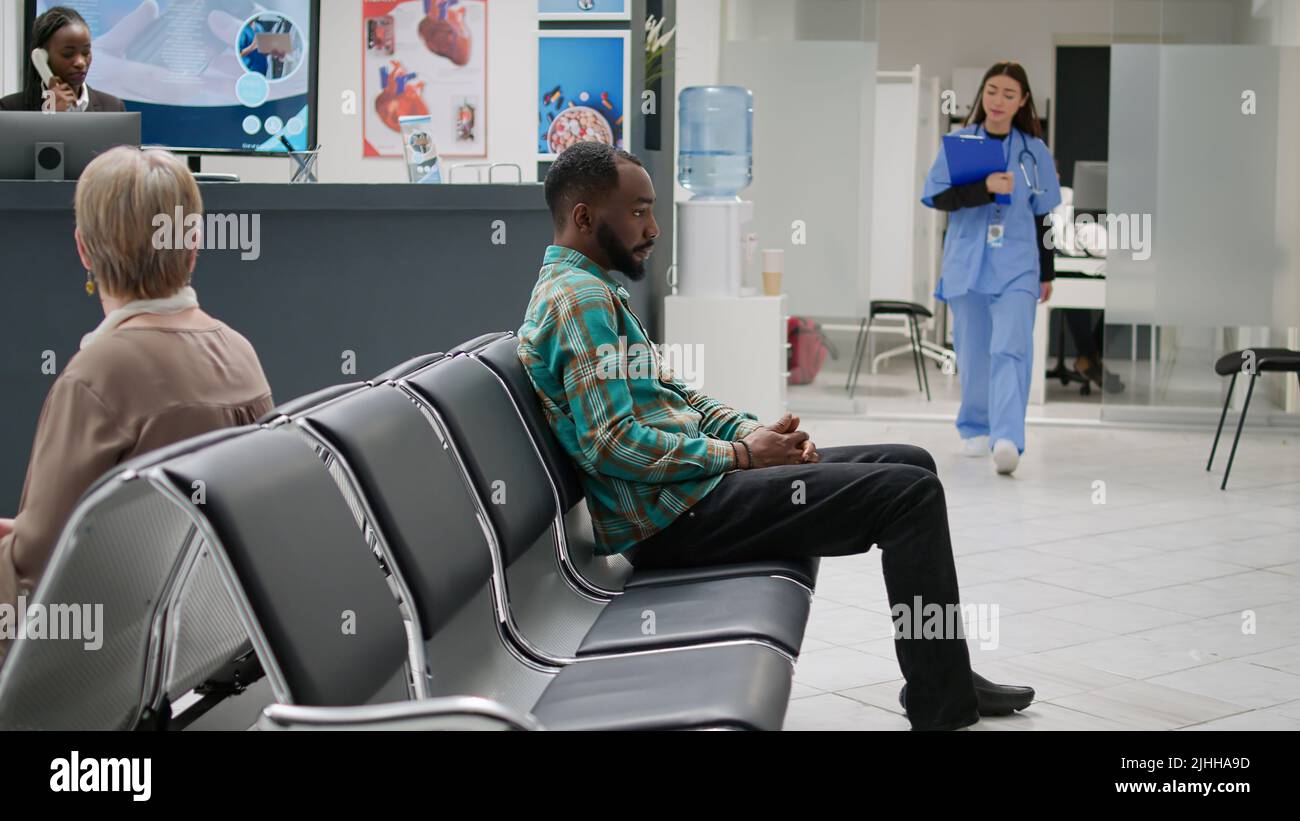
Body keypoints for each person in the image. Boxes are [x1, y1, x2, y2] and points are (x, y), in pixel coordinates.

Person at [516, 141, 1034, 731]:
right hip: (676, 517)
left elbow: (680, 400)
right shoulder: (579, 301)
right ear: (583, 216)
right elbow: (613, 443)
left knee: (909, 460)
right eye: (637, 211)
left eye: (652, 209)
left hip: (695, 490)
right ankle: (941, 705)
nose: (653, 228)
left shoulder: (592, 291)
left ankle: (945, 672)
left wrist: (755, 436)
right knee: (908, 496)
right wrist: (741, 455)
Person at [0, 147, 274, 664]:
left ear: (83, 250)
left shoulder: (96, 377)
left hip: (101, 663)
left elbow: (37, 588)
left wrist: (17, 548)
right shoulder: (241, 352)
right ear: (193, 245)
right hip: (200, 648)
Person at [922, 61, 1062, 475]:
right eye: (992, 90)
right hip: (967, 264)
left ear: (1022, 103)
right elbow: (938, 200)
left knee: (1010, 348)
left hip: (1018, 265)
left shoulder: (1033, 151)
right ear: (983, 94)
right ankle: (975, 427)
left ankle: (1007, 438)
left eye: (1009, 94)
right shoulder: (960, 142)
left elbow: (1044, 216)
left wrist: (1047, 272)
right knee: (973, 350)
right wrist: (983, 189)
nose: (998, 100)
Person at [0, 6, 125, 113]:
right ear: (42, 57)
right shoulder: (9, 108)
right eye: (68, 54)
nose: (80, 63)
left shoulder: (113, 107)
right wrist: (51, 116)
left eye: (86, 52)